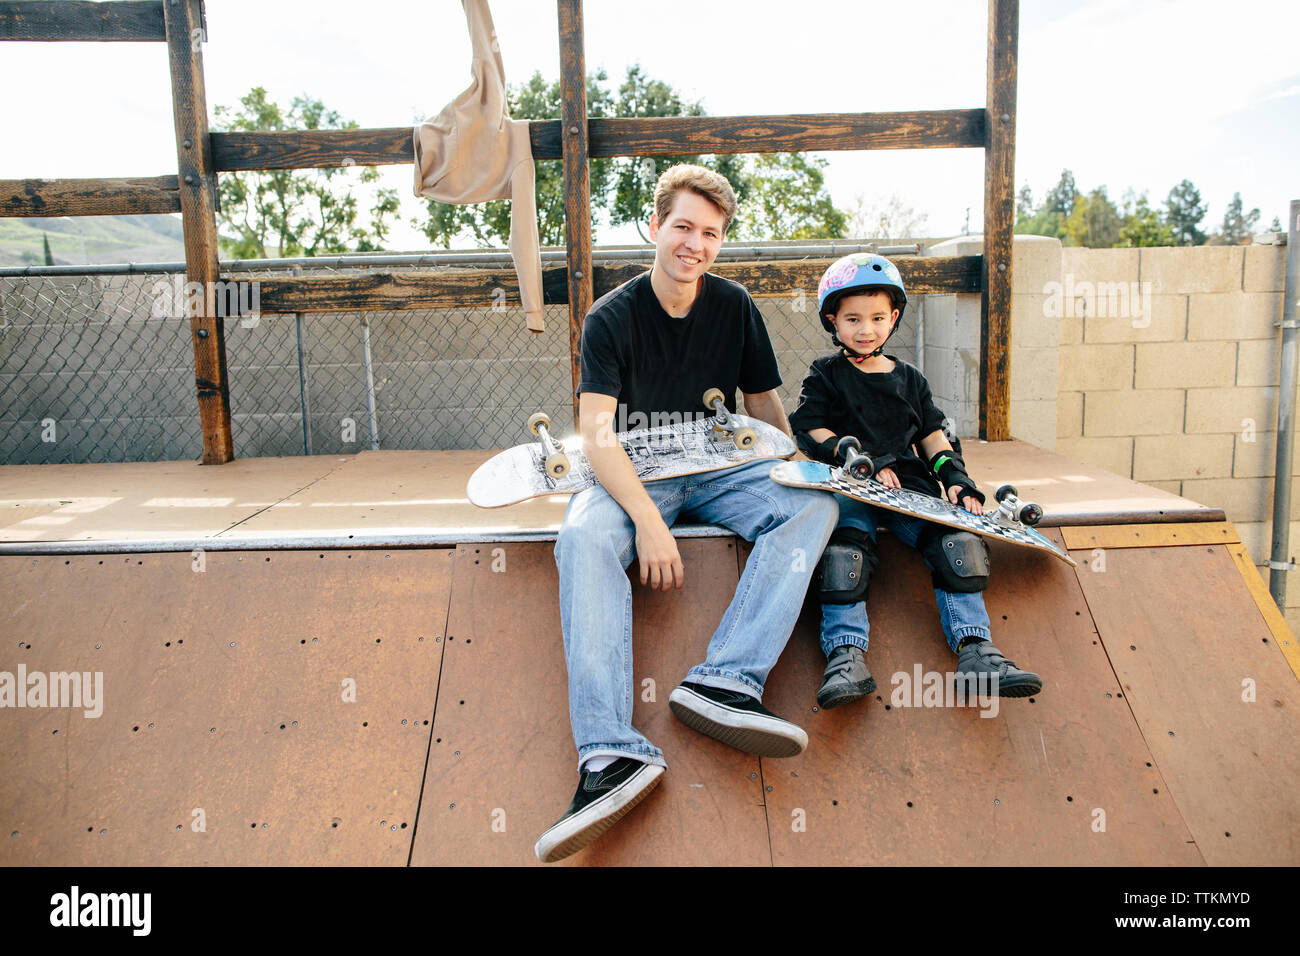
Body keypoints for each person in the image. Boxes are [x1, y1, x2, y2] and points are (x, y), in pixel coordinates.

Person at [534, 164, 838, 863]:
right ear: (654, 225)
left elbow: (763, 412)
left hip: (719, 464)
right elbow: (598, 436)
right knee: (581, 537)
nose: (695, 244)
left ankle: (727, 681)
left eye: (711, 233)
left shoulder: (733, 307)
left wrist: (796, 469)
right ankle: (610, 754)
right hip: (633, 469)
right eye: (683, 227)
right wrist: (645, 520)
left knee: (811, 507)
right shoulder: (611, 317)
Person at [788, 253, 1043, 711]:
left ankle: (976, 651)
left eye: (877, 318)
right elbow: (808, 426)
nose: (866, 329)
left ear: (894, 318)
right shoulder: (826, 374)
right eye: (852, 319)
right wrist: (855, 455)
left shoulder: (911, 379)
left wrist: (959, 484)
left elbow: (933, 440)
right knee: (844, 553)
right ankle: (845, 655)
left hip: (908, 488)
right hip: (852, 486)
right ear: (833, 320)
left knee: (957, 543)